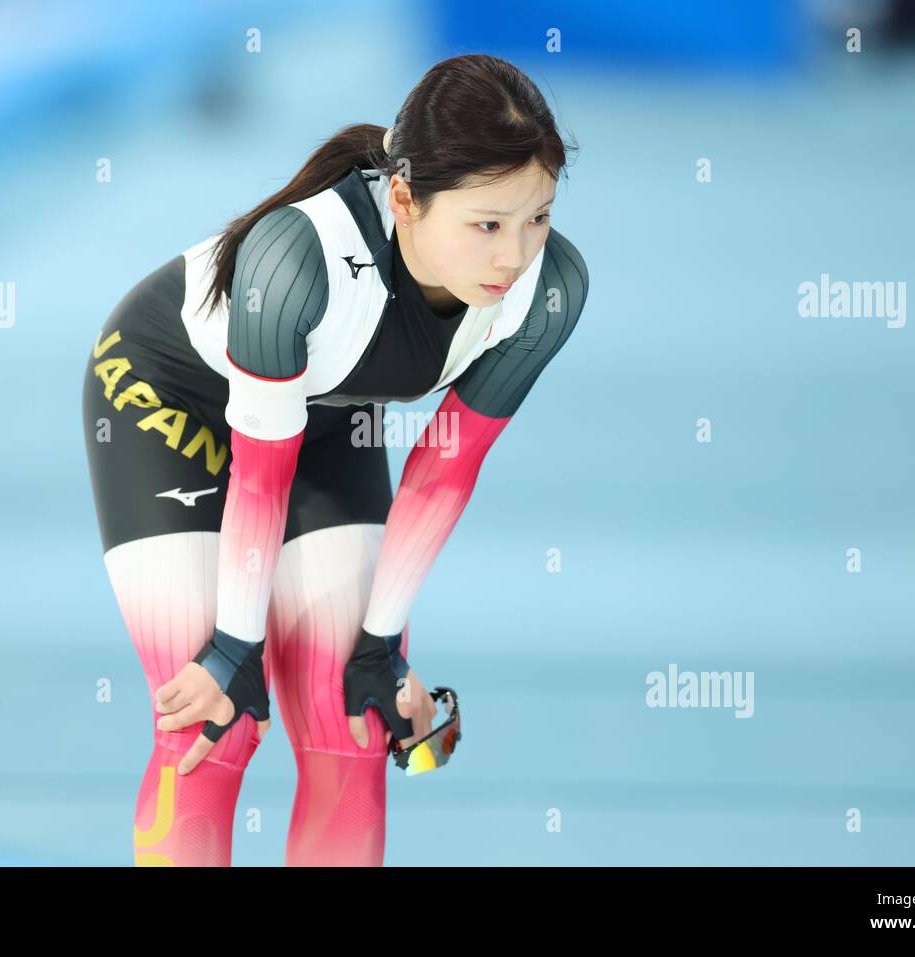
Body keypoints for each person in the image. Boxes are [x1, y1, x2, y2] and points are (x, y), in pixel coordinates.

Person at [81, 52, 588, 867]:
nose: (514, 256)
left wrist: (382, 642)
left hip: (323, 424)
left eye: (537, 219)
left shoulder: (549, 289)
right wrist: (232, 649)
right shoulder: (297, 261)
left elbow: (444, 470)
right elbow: (258, 472)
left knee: (354, 719)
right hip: (167, 405)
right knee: (215, 725)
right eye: (486, 224)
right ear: (403, 198)